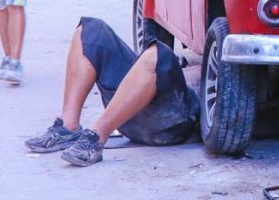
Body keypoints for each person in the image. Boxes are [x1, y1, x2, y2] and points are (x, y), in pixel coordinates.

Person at [24, 17, 199, 167]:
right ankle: (68, 127)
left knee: (159, 54)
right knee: (90, 28)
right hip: (129, 115)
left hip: (172, 123)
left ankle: (96, 139)